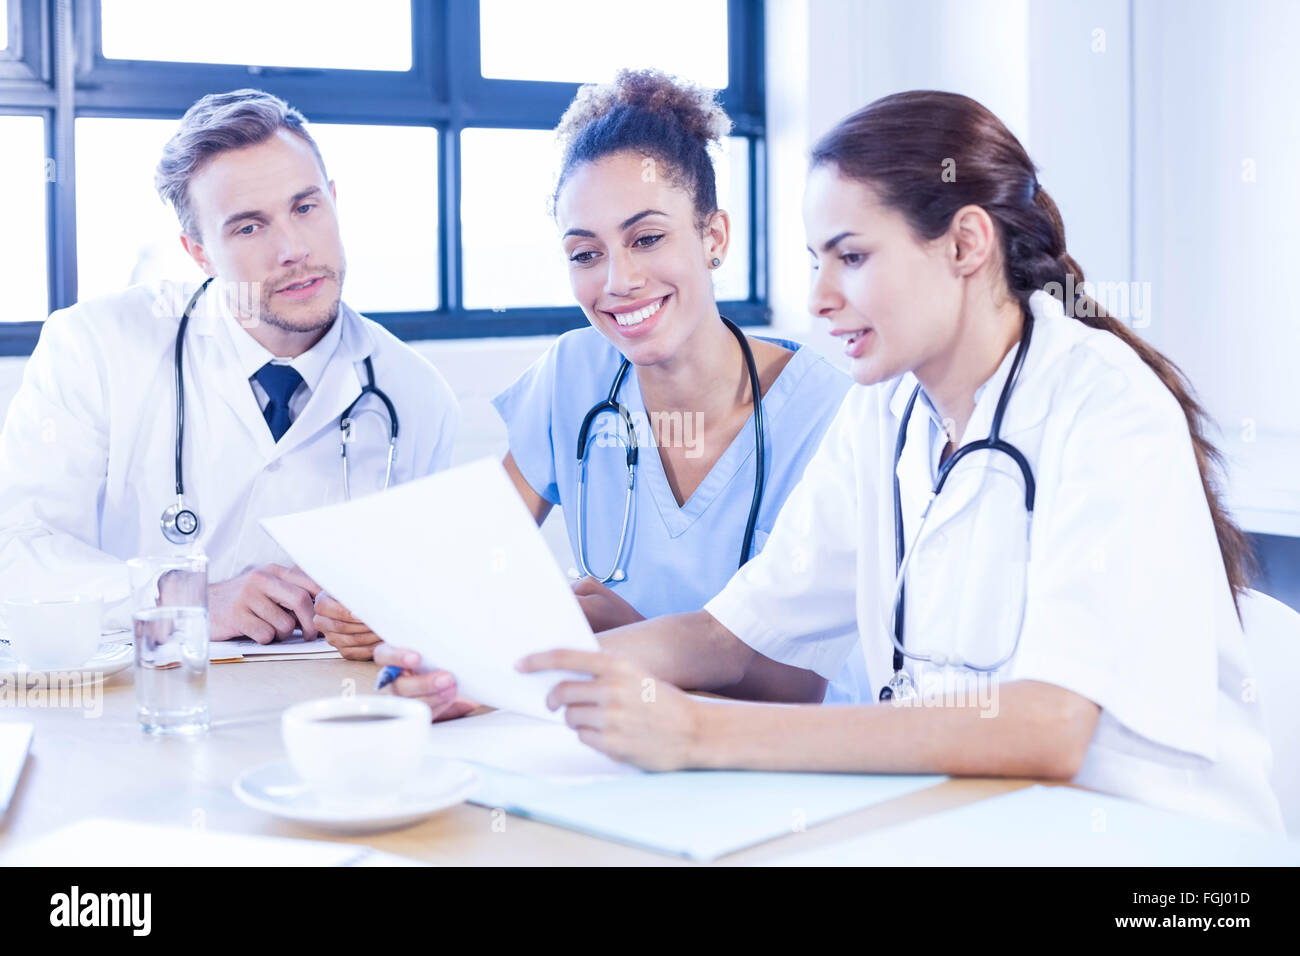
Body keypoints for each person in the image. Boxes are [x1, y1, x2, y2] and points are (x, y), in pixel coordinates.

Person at [506, 90, 1282, 834]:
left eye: (852, 257)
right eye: (816, 260)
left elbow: (1048, 727)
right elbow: (732, 635)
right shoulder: (885, 413)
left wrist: (699, 730)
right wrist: (516, 668)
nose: (818, 298)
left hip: (1166, 860)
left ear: (966, 245)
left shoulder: (1107, 407)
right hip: (981, 831)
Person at [347, 69, 854, 703]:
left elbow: (801, 685)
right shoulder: (575, 374)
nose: (619, 280)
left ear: (713, 236)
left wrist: (633, 642)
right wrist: (392, 609)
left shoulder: (829, 414)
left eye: (647, 238)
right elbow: (478, 563)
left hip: (788, 766)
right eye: (586, 254)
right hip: (614, 742)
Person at [0, 89, 459, 643]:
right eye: (248, 227)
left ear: (334, 201)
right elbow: (16, 553)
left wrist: (390, 617)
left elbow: (424, 594)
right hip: (146, 702)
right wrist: (179, 598)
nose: (293, 248)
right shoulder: (96, 346)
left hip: (326, 707)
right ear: (198, 252)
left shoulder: (414, 394)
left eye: (305, 207)